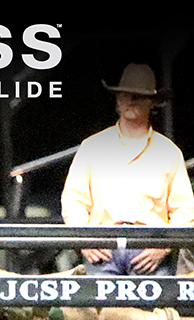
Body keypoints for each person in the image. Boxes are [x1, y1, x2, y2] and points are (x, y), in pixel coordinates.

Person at [61, 63, 194, 276]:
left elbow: (185, 209)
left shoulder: (168, 152)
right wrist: (85, 241)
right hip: (103, 246)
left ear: (151, 102)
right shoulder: (92, 146)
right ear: (117, 99)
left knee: (156, 300)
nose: (130, 101)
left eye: (138, 96)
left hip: (149, 249)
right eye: (125, 95)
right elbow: (74, 201)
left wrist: (163, 247)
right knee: (97, 299)